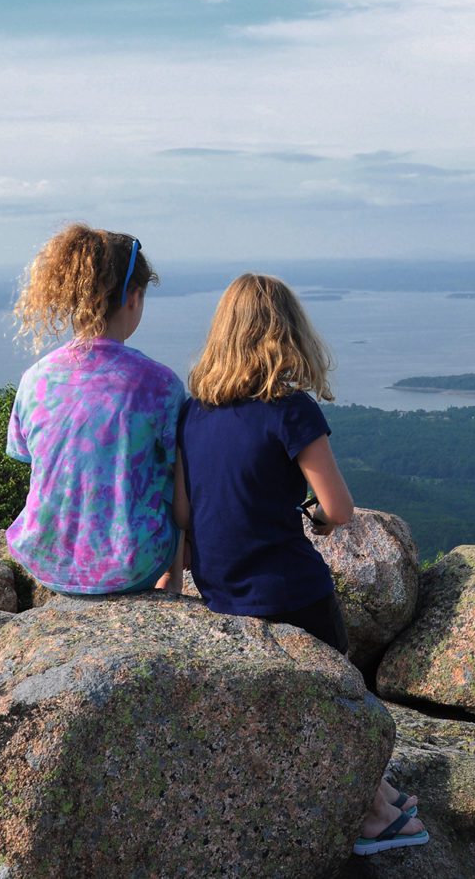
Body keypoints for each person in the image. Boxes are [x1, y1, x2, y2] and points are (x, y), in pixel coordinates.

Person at [173, 272, 428, 857]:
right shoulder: (291, 411)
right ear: (287, 334)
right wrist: (312, 513)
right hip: (292, 592)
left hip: (220, 592)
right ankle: (370, 818)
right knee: (344, 706)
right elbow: (339, 508)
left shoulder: (192, 412)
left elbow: (185, 510)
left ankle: (380, 794)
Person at [5, 224, 187, 596]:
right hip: (131, 566)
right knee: (179, 468)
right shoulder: (160, 385)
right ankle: (173, 581)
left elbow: (31, 458)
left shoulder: (35, 378)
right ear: (133, 297)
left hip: (44, 558)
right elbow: (181, 478)